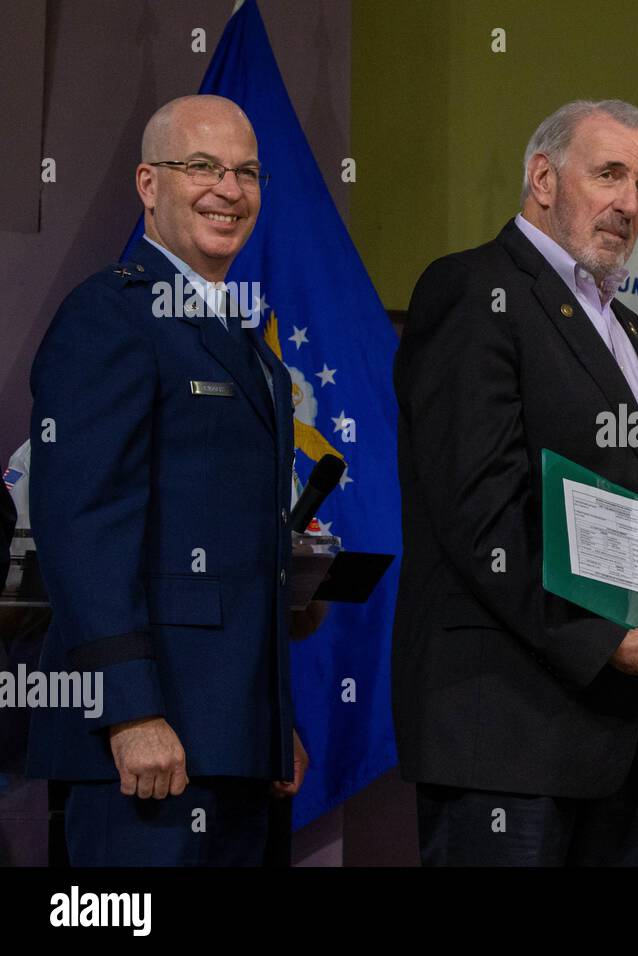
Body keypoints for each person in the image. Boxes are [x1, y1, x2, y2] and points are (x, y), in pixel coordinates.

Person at [393, 99, 638, 866]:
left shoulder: (627, 327)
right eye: (608, 175)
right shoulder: (474, 290)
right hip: (505, 731)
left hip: (614, 738)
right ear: (541, 177)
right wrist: (605, 643)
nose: (630, 202)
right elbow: (480, 514)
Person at [27, 95, 307, 866]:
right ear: (150, 185)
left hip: (232, 741)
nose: (230, 189)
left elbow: (248, 557)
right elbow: (82, 528)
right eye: (203, 167)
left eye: (247, 172)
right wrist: (128, 713)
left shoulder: (242, 337)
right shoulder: (108, 318)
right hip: (147, 748)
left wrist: (271, 718)